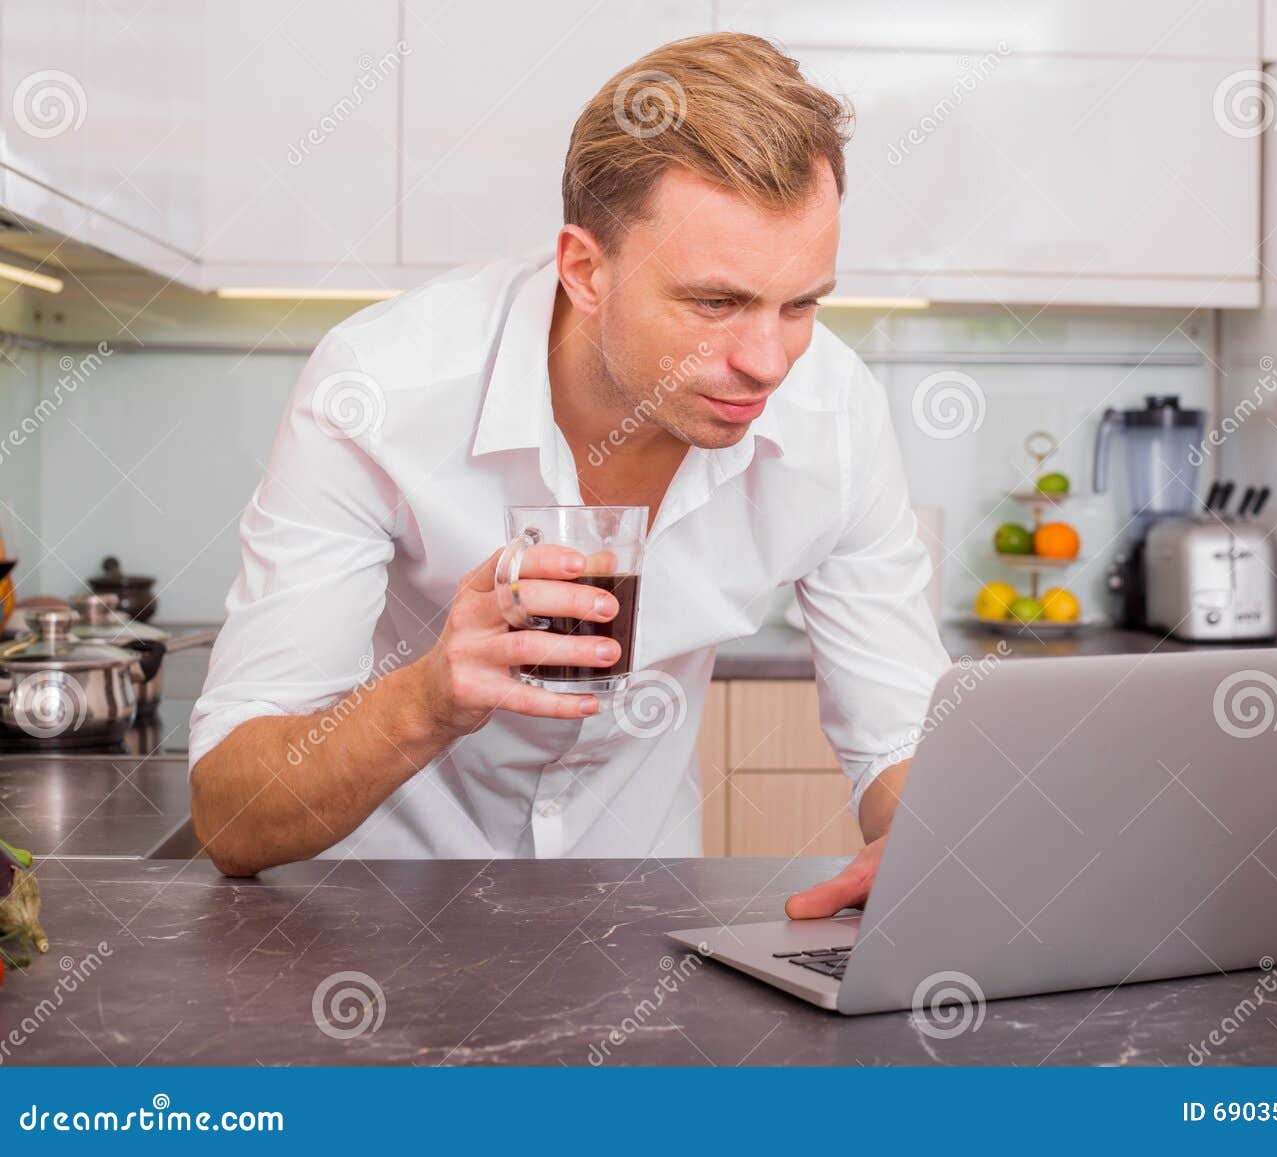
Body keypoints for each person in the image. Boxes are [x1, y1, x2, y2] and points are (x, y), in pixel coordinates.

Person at [189, 33, 950, 920]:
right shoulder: (380, 391)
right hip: (373, 920)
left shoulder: (836, 416)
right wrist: (428, 698)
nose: (768, 361)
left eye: (801, 304)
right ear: (586, 271)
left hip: (644, 925)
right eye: (716, 302)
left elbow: (900, 736)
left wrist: (923, 844)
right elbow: (229, 815)